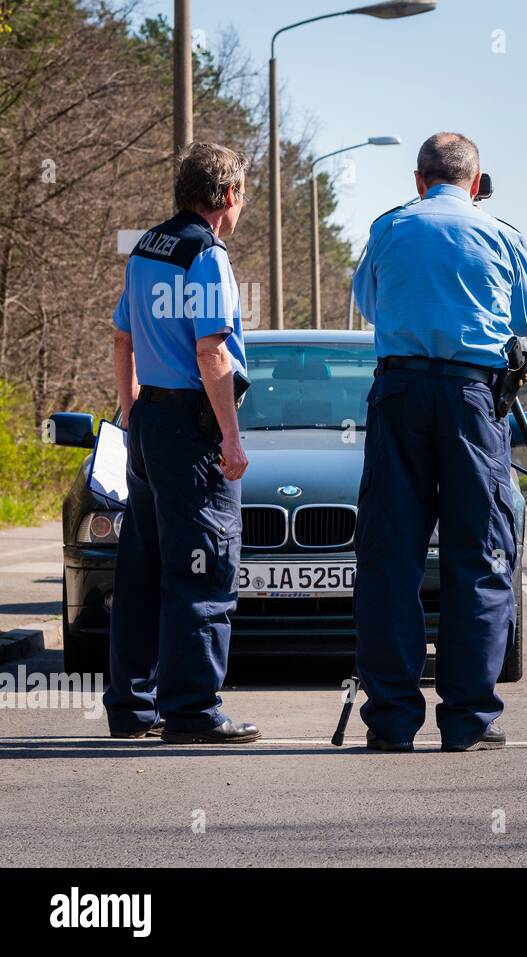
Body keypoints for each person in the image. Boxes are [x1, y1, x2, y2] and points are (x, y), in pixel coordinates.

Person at [352, 132, 527, 752]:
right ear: (475, 179)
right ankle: (468, 719)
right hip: (472, 398)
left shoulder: (388, 228)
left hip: (401, 393)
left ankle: (391, 720)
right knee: (479, 559)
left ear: (418, 179)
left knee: (390, 561)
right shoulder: (500, 233)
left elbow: (369, 305)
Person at [103, 141, 260, 744]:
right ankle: (193, 709)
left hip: (148, 423)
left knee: (141, 570)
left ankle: (132, 707)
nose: (241, 206)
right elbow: (212, 350)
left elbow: (122, 338)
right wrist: (231, 438)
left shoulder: (146, 249)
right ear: (227, 196)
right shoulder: (207, 255)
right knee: (203, 566)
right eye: (242, 195)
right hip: (191, 431)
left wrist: (131, 411)